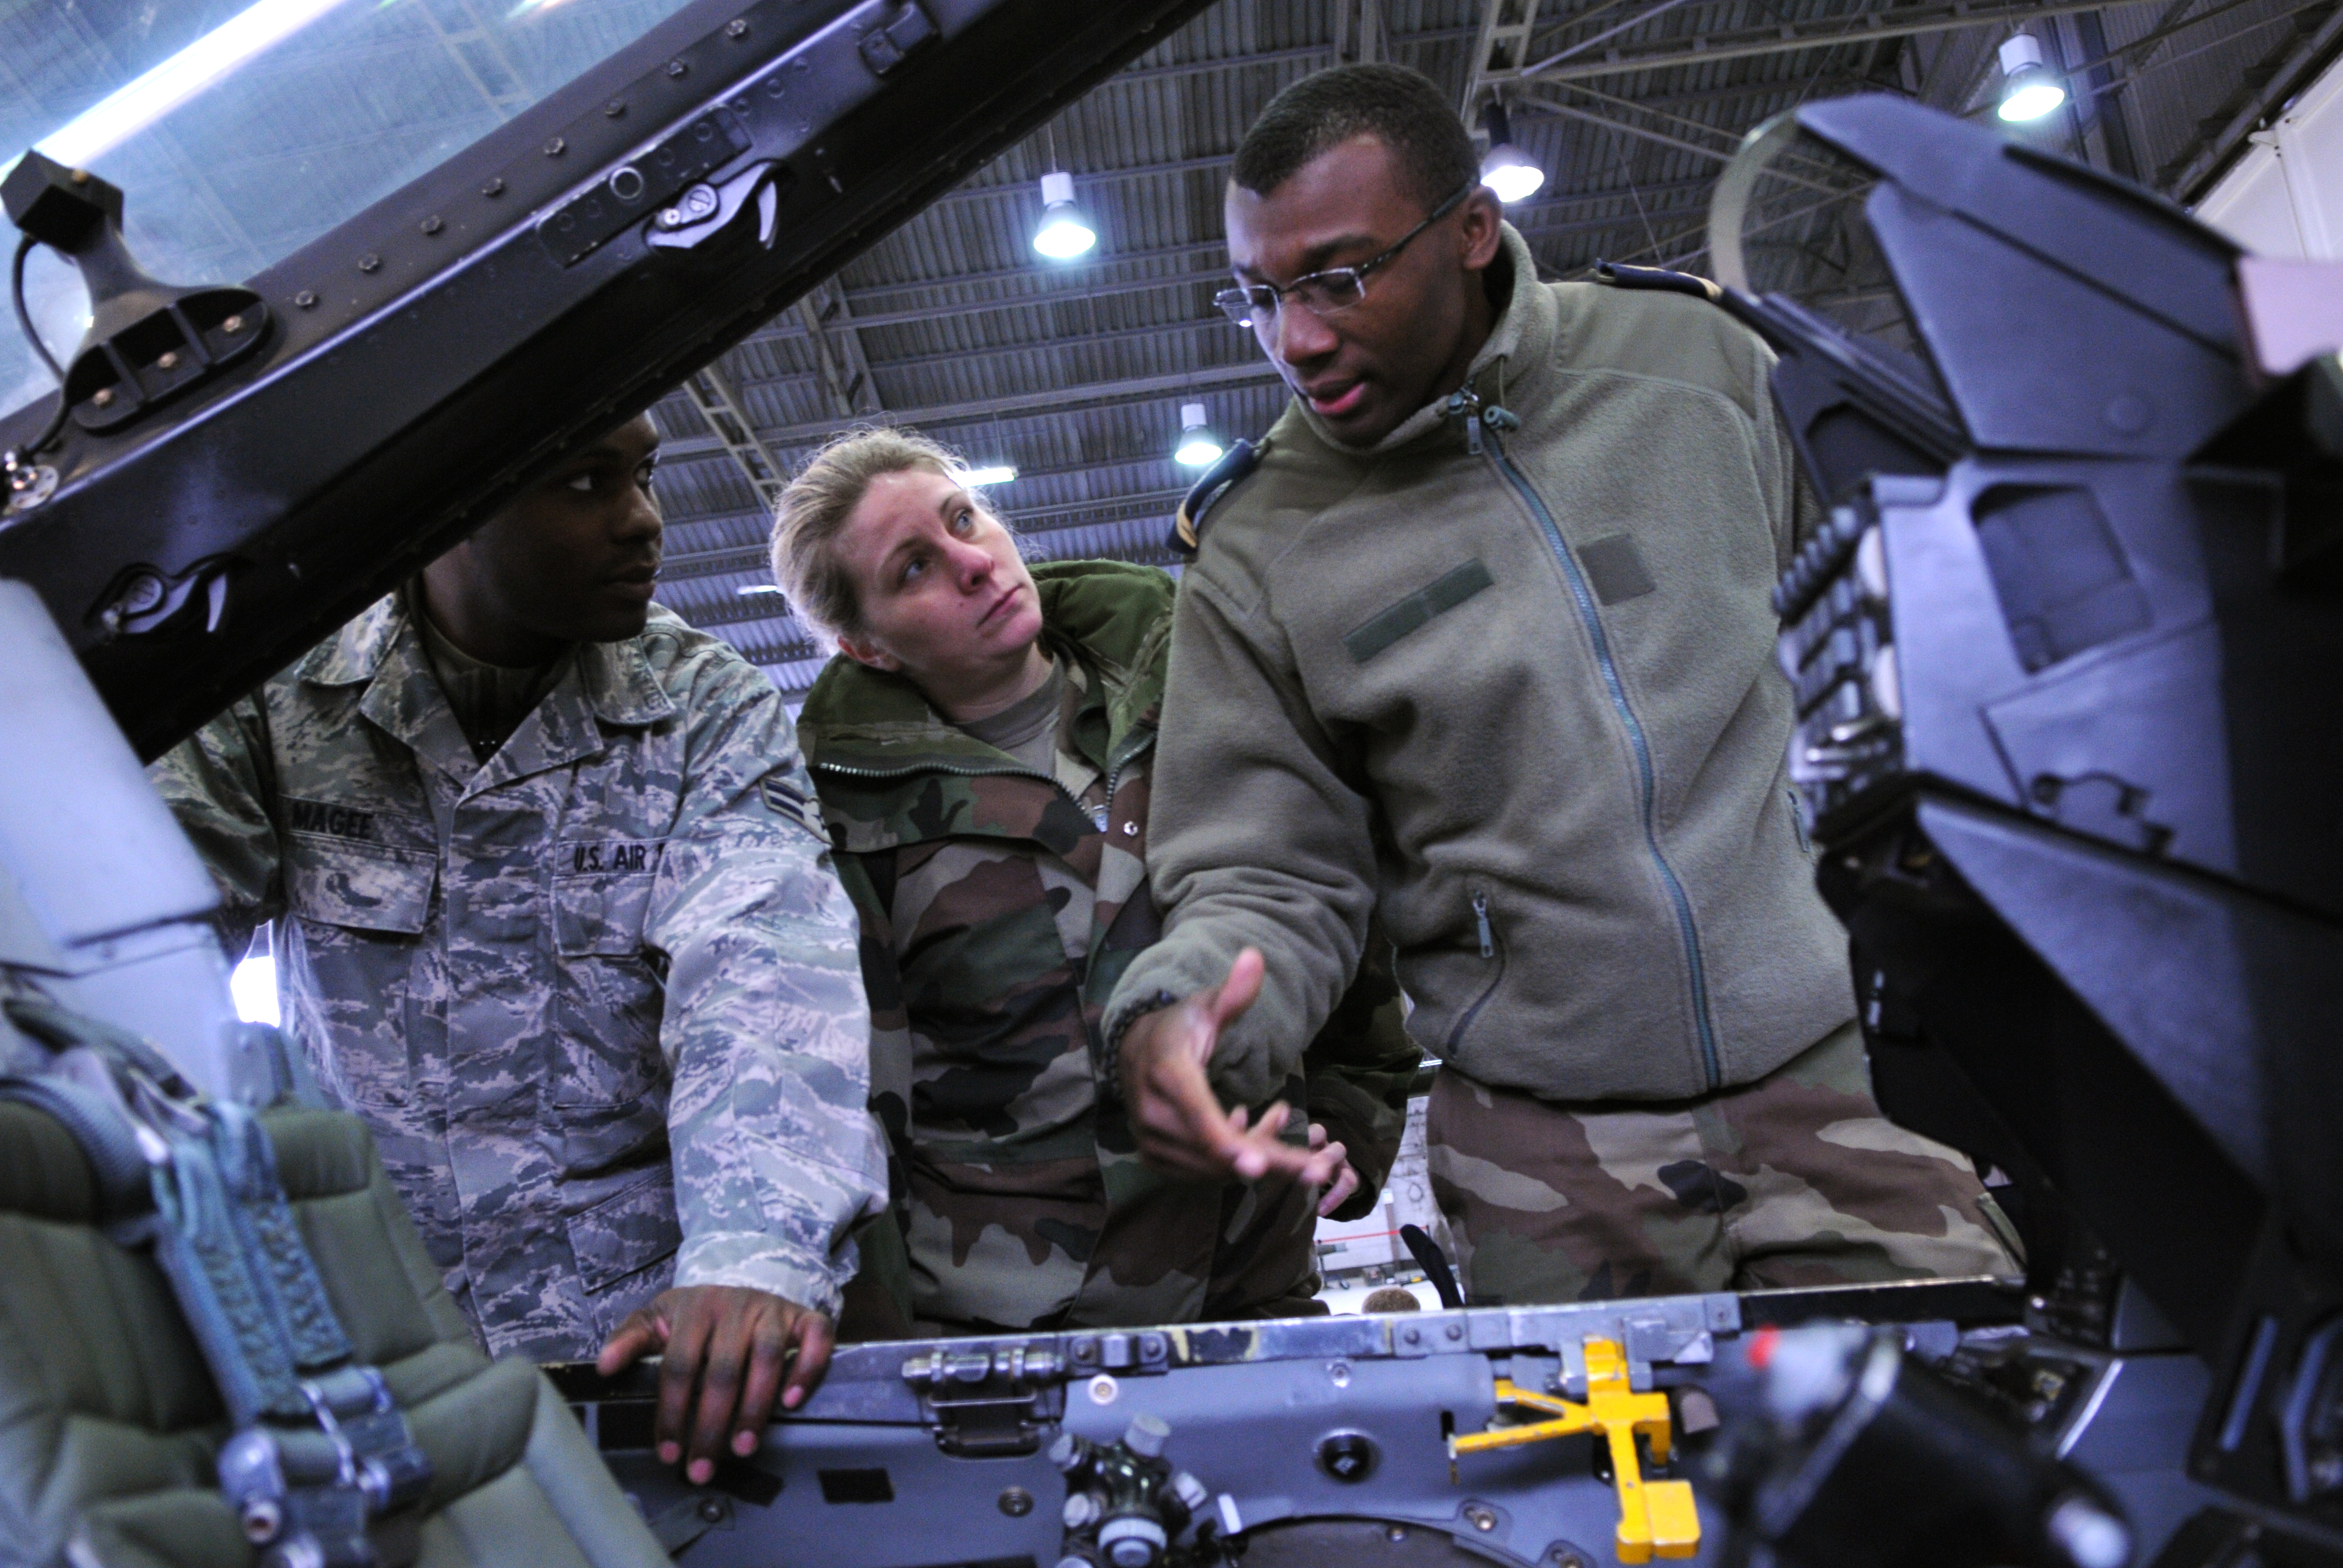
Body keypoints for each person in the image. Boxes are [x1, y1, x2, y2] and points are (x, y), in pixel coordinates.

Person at [1103, 64, 2022, 1305]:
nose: (1296, 339)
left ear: (1470, 231)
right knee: (1593, 1496)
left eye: (1337, 276)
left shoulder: (1693, 365)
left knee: (1951, 1456)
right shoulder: (1260, 549)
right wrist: (1185, 1012)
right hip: (1550, 1161)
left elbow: (1900, 640)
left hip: (1840, 1070)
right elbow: (1265, 874)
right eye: (1258, 296)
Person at [151, 412, 885, 1482]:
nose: (644, 522)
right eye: (587, 482)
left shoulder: (701, 706)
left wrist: (755, 1251)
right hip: (376, 1349)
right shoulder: (282, 686)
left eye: (644, 475)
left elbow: (762, 972)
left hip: (639, 1359)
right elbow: (133, 957)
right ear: (449, 511)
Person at [772, 427, 1418, 1333]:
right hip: (1009, 1325)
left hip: (1251, 1285)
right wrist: (882, 1354)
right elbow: (857, 1099)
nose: (971, 562)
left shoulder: (1197, 681)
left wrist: (1352, 1111)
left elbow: (1329, 882)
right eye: (913, 568)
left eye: (966, 520)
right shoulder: (838, 815)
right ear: (866, 647)